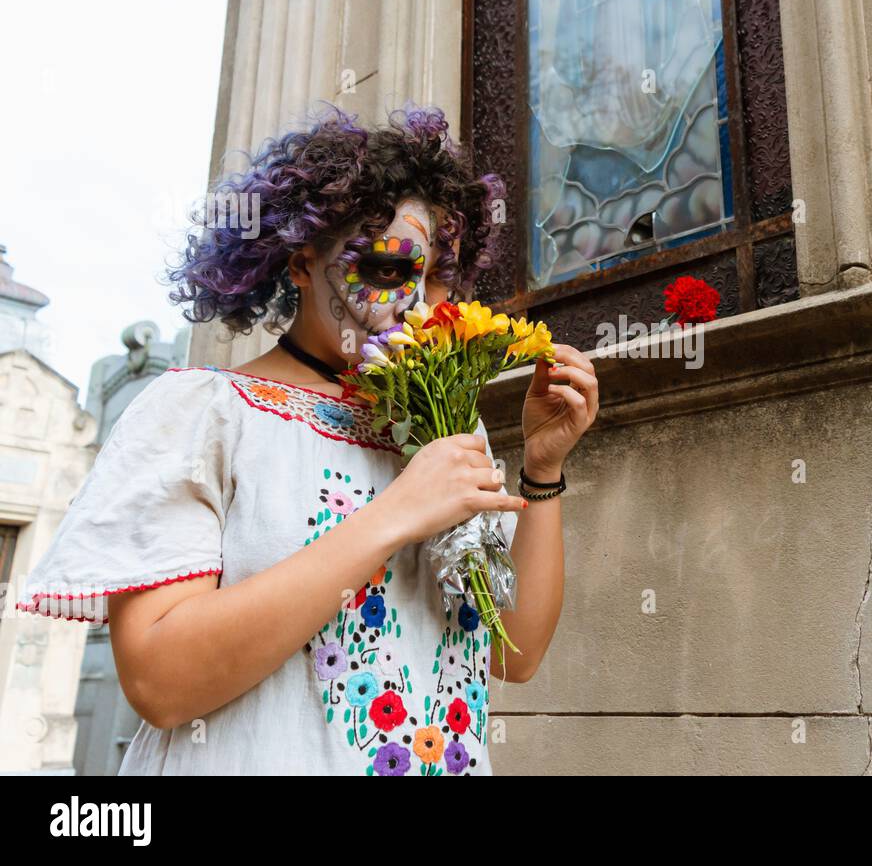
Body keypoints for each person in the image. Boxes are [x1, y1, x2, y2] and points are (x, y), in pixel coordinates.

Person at [18, 102, 598, 775]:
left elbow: (514, 654)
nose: (416, 304)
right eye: (387, 268)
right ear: (299, 264)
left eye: (440, 275)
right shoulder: (203, 416)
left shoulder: (443, 429)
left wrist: (542, 470)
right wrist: (392, 517)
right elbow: (159, 683)